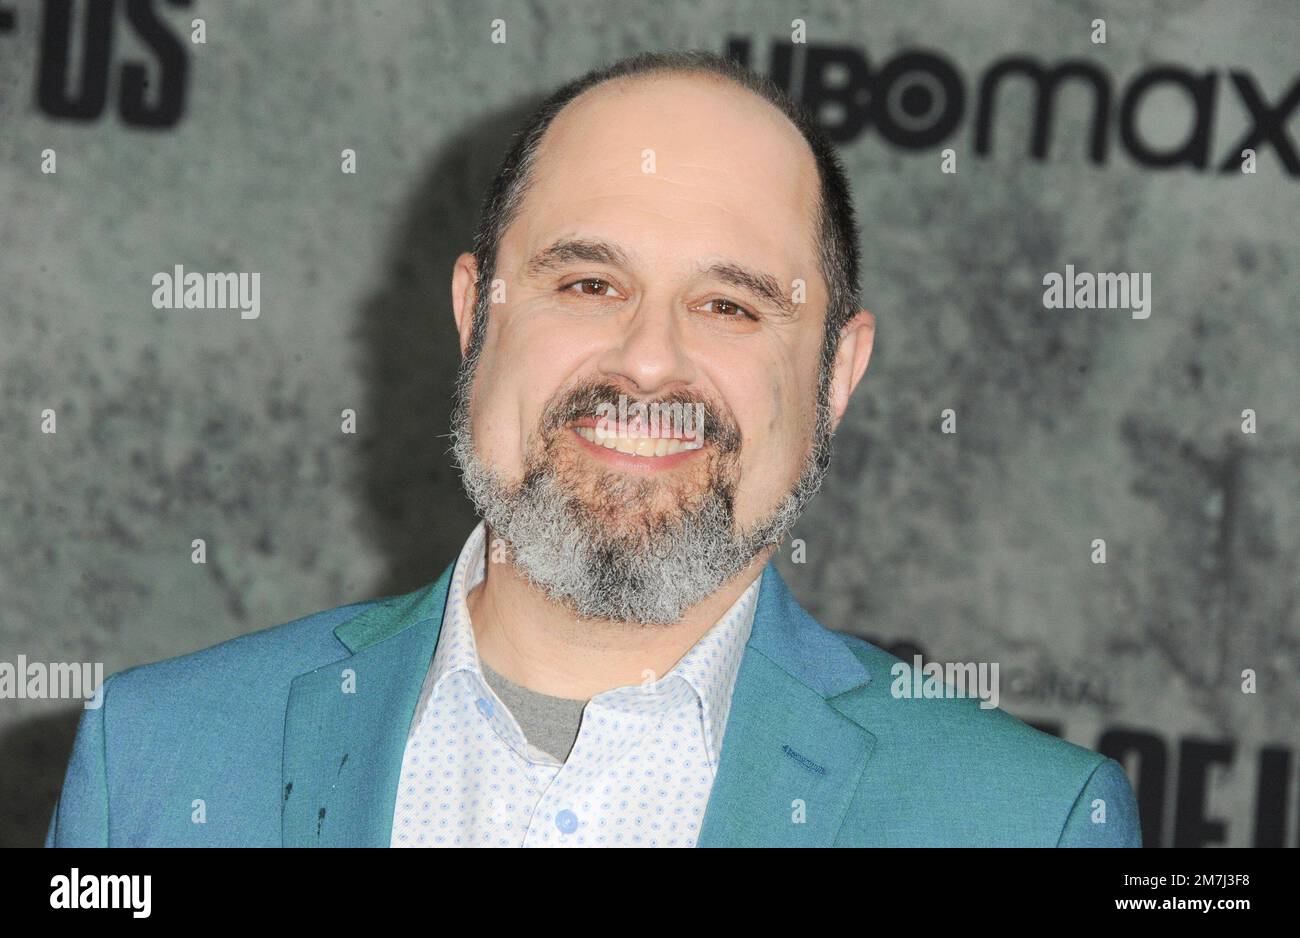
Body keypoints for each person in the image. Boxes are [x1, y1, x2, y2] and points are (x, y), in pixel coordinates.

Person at [46, 50, 1140, 848]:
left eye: (729, 304)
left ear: (835, 377)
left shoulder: (1023, 822)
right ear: (477, 315)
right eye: (587, 283)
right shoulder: (154, 758)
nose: (649, 362)